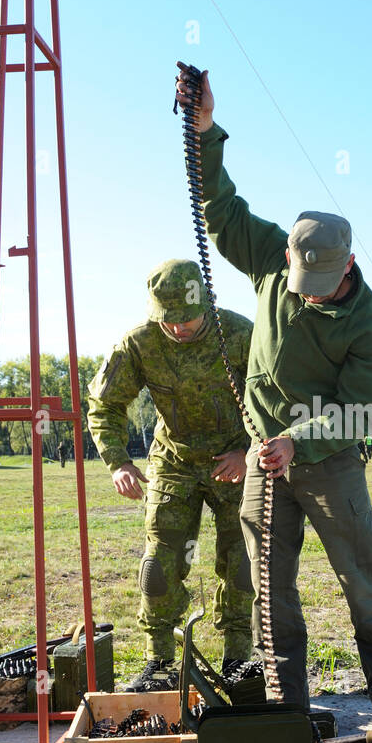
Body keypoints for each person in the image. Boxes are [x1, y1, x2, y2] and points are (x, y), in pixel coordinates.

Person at [177, 69, 372, 726]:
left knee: (362, 585)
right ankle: (288, 715)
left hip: (330, 461)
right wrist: (203, 133)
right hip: (264, 459)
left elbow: (356, 414)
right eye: (300, 277)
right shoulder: (273, 265)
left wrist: (296, 440)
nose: (308, 292)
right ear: (288, 255)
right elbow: (220, 211)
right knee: (268, 595)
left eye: (322, 282)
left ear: (349, 266)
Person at [87, 259, 259, 692]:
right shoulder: (139, 343)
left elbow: (274, 398)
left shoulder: (239, 334)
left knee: (241, 564)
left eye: (188, 319)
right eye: (169, 321)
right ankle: (159, 661)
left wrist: (247, 451)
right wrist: (118, 461)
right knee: (160, 565)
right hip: (174, 462)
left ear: (206, 303)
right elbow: (105, 404)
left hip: (234, 461)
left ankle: (239, 660)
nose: (179, 329)